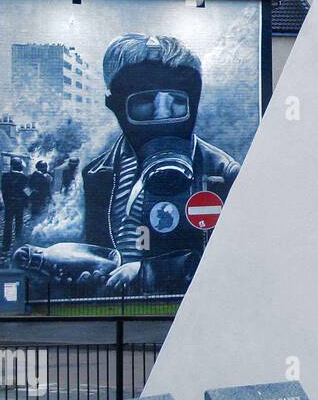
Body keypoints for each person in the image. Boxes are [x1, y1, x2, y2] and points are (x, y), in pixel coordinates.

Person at [81, 34, 239, 295]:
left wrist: (147, 273)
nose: (163, 113)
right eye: (145, 101)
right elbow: (97, 249)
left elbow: (231, 256)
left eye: (177, 101)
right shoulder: (98, 175)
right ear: (115, 105)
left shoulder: (221, 173)